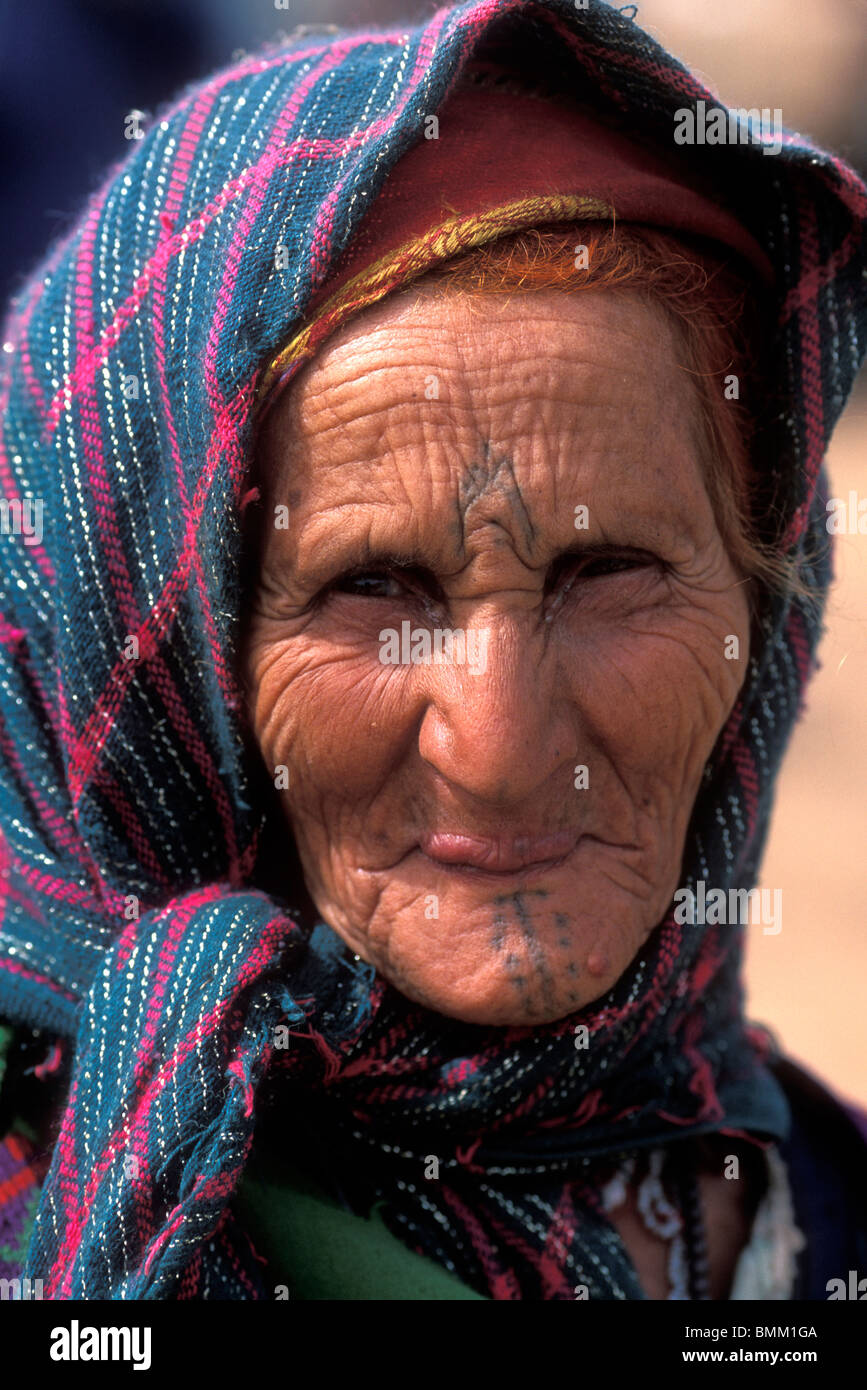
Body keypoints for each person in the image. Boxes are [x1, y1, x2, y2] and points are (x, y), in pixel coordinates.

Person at [1, 0, 865, 1301]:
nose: (501, 745)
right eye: (369, 588)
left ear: (765, 602)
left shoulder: (817, 1217)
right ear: (159, 644)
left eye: (610, 572)